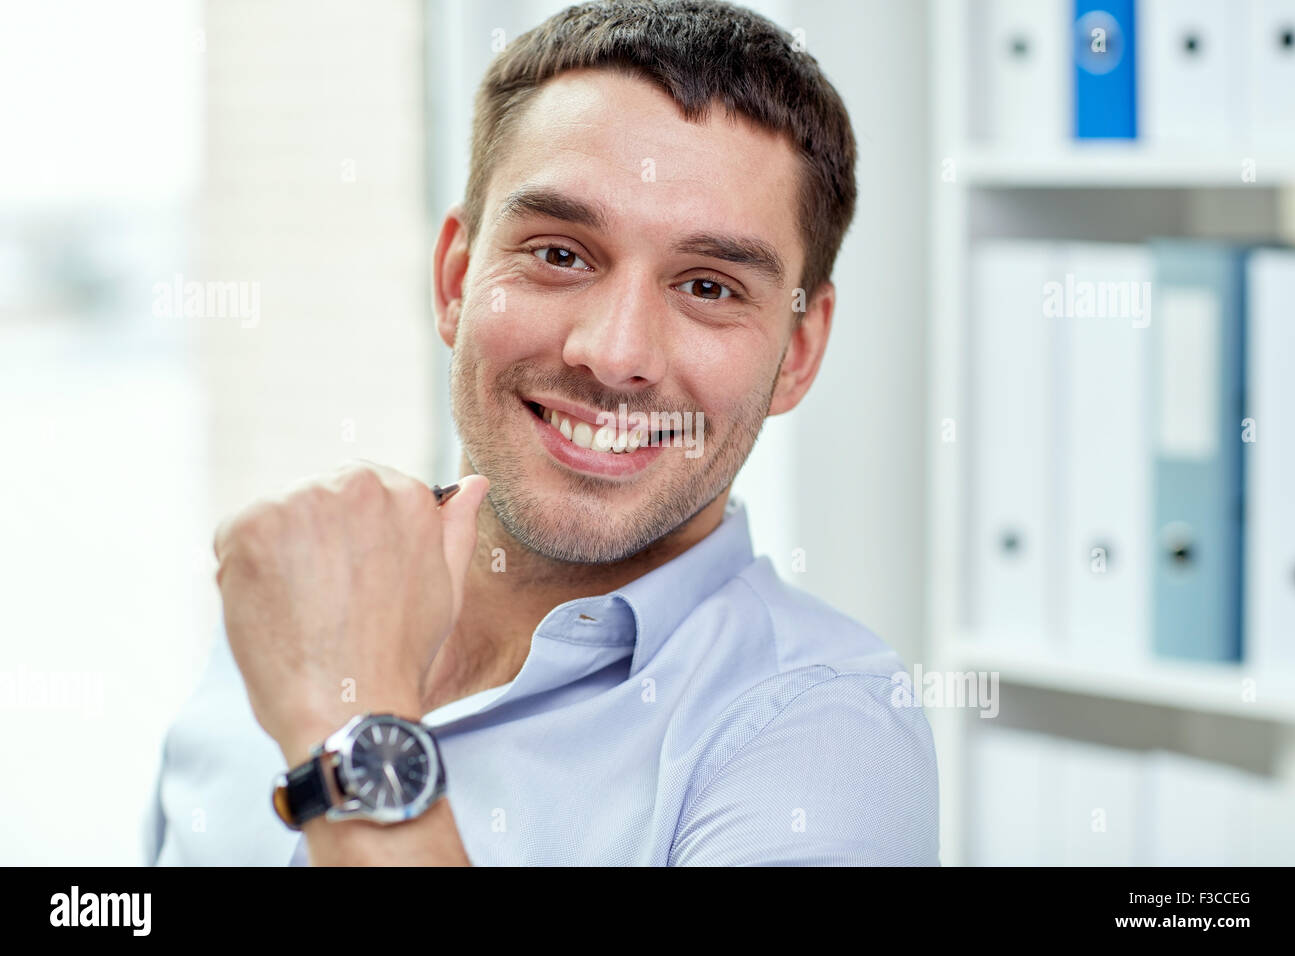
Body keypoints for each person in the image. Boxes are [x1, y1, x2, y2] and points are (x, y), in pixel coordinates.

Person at [147, 0, 939, 867]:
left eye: (709, 287)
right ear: (456, 279)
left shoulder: (825, 734)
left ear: (799, 351)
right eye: (560, 253)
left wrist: (360, 736)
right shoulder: (297, 592)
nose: (613, 353)